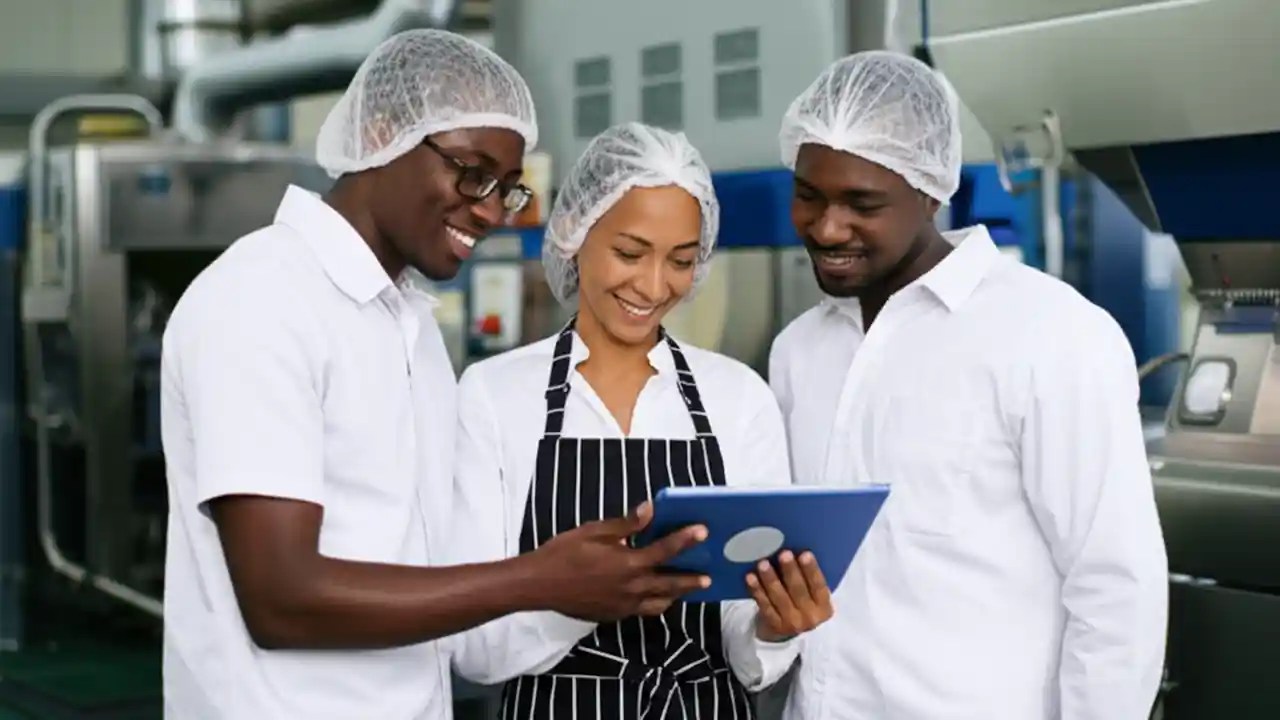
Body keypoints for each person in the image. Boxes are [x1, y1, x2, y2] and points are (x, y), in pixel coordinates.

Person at [160, 31, 712, 719]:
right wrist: (537, 579)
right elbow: (281, 599)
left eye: (506, 190)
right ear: (386, 133)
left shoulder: (410, 325)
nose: (486, 209)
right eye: (470, 172)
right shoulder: (262, 299)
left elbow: (417, 563)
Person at [768, 51, 1169, 719]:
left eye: (861, 203)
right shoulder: (798, 352)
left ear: (929, 190)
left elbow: (1115, 588)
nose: (827, 227)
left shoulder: (1050, 335)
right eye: (809, 195)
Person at [448, 121, 833, 719]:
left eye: (680, 260)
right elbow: (471, 646)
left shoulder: (737, 399)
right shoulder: (495, 395)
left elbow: (748, 653)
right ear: (576, 234)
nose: (653, 285)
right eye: (630, 253)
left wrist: (774, 625)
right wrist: (575, 600)